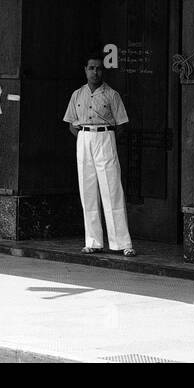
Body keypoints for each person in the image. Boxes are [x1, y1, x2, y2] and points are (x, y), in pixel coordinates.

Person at [63, 53, 136, 257]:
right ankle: (93, 241)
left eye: (99, 68)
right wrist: (84, 137)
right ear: (85, 70)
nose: (95, 72)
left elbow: (122, 124)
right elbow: (71, 124)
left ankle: (122, 242)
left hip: (105, 136)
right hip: (84, 137)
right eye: (92, 68)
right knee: (88, 191)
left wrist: (107, 138)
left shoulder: (112, 95)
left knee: (112, 188)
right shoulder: (77, 94)